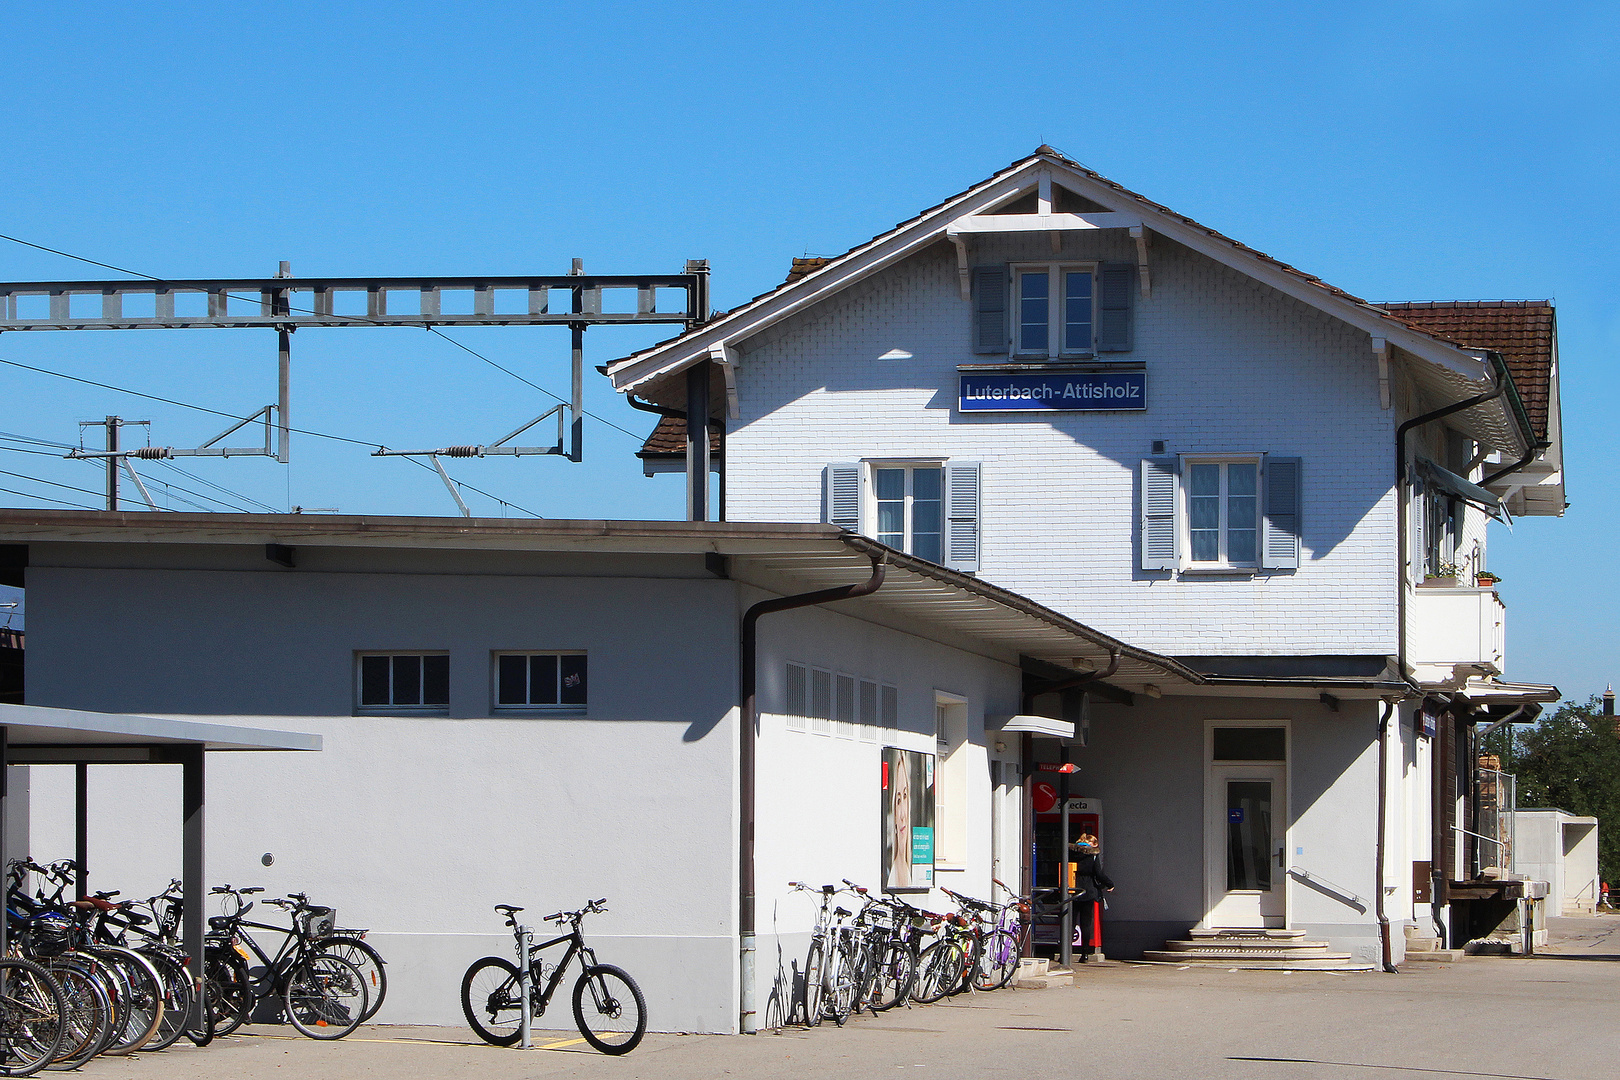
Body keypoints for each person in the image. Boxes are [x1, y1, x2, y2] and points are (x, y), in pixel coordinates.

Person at [1069, 833, 1113, 961]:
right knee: (1086, 924)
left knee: (1070, 923)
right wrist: (1110, 884)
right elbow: (1098, 873)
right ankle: (1085, 954)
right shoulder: (1092, 855)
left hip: (1072, 890)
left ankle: (1066, 953)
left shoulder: (1071, 852)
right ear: (1092, 844)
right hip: (1087, 892)